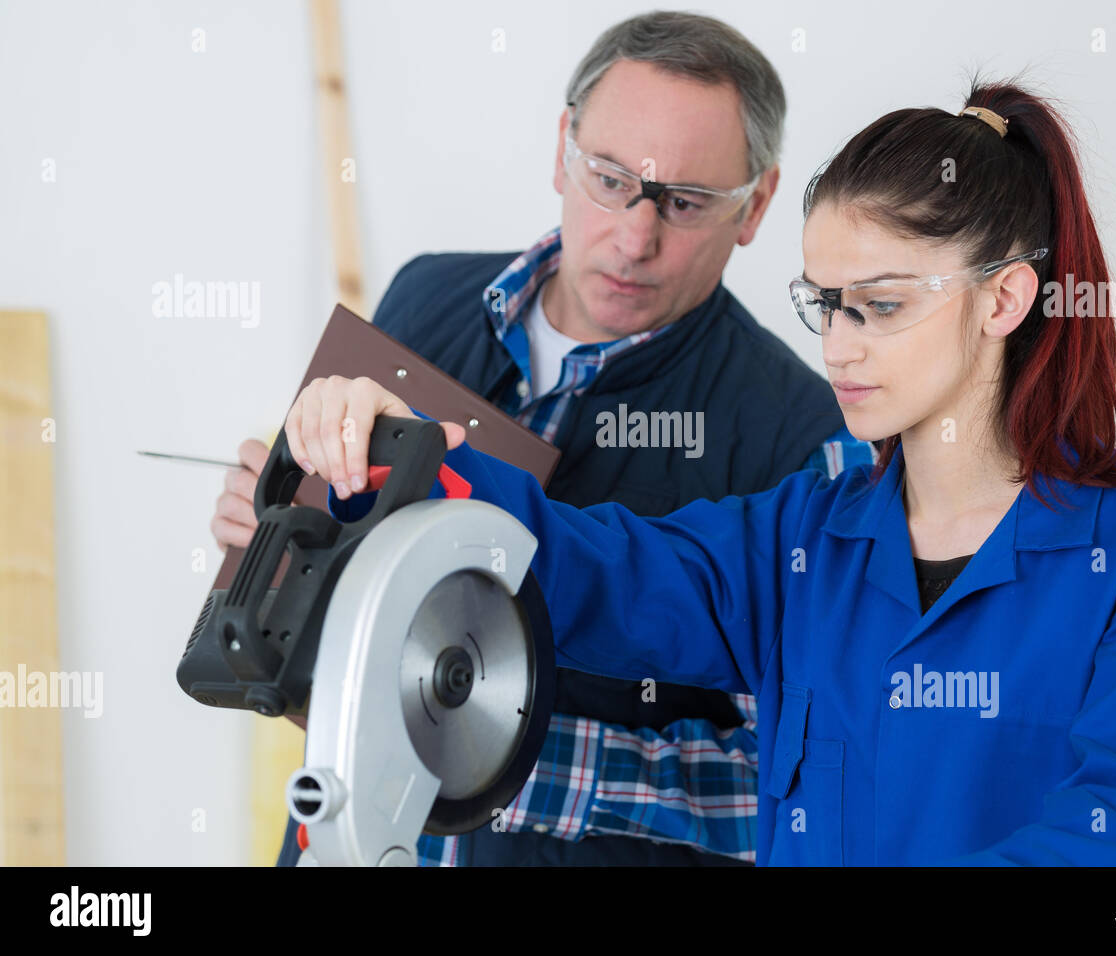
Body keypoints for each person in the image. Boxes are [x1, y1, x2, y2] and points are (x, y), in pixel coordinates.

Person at [281, 78, 1116, 865]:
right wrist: (421, 453)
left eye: (882, 306)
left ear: (1005, 299)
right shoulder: (803, 539)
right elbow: (592, 570)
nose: (841, 350)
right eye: (829, 306)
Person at [211, 11, 876, 867]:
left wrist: (474, 752)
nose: (636, 239)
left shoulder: (808, 439)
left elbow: (797, 787)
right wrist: (270, 546)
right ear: (563, 145)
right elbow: (341, 591)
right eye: (608, 178)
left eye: (685, 203)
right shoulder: (423, 296)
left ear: (757, 206)